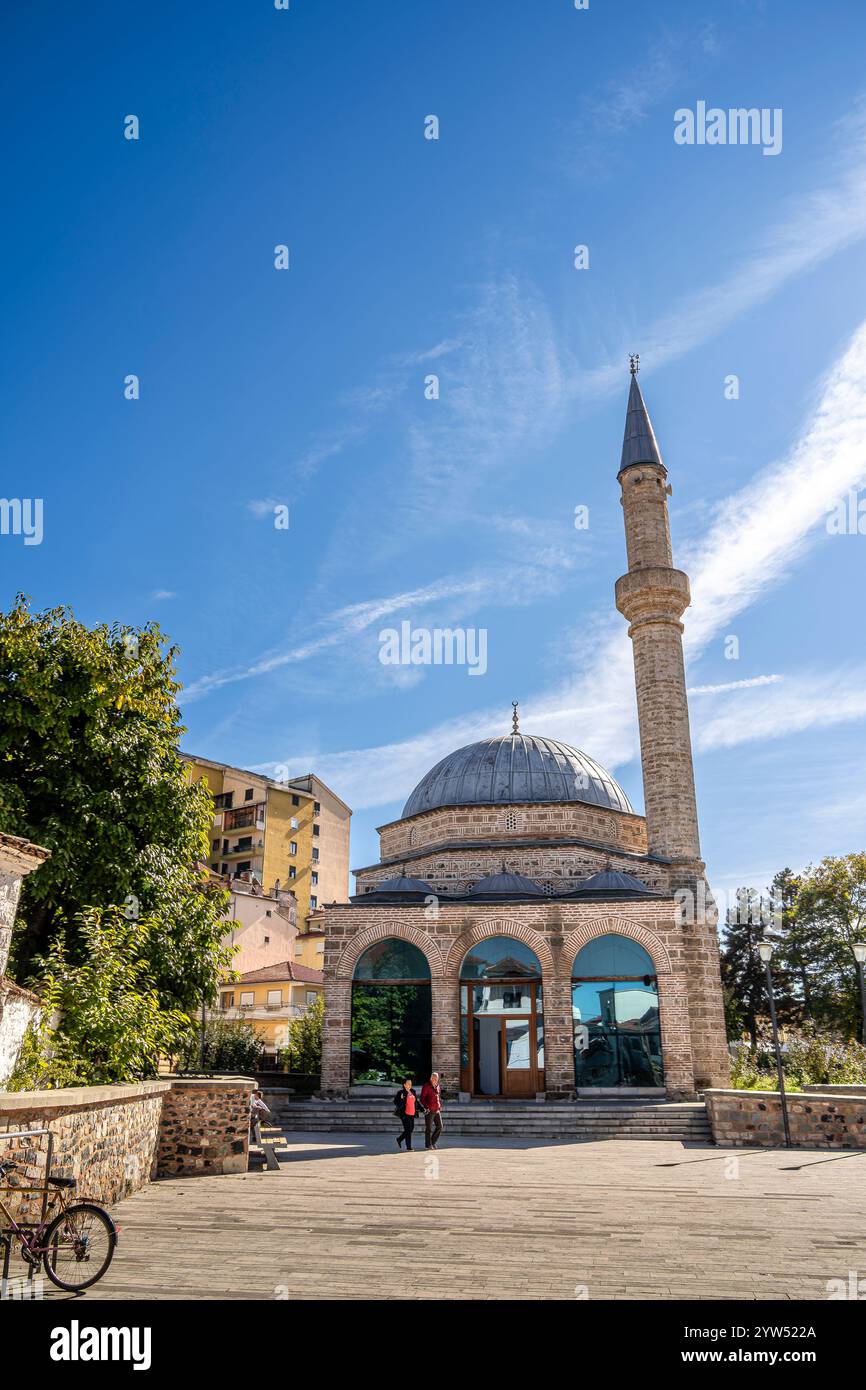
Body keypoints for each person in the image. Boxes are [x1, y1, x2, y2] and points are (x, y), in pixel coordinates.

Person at [393, 1077, 422, 1151]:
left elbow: (416, 1102)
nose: (410, 1085)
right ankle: (408, 1147)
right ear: (404, 1085)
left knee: (410, 1129)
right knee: (408, 1130)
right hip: (404, 1114)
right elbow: (396, 1102)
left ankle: (399, 1139)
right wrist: (402, 1099)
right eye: (408, 1083)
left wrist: (423, 1109)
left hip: (412, 1114)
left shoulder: (413, 1091)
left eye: (411, 1083)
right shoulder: (401, 1093)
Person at [420, 1072, 443, 1150]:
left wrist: (439, 1106)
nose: (435, 1079)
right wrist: (427, 1107)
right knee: (429, 1129)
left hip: (437, 1110)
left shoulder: (438, 1086)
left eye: (436, 1078)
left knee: (440, 1126)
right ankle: (428, 1145)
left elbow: (438, 1097)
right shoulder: (426, 1086)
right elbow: (422, 1099)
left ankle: (432, 1142)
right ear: (431, 1078)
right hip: (429, 1110)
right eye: (433, 1078)